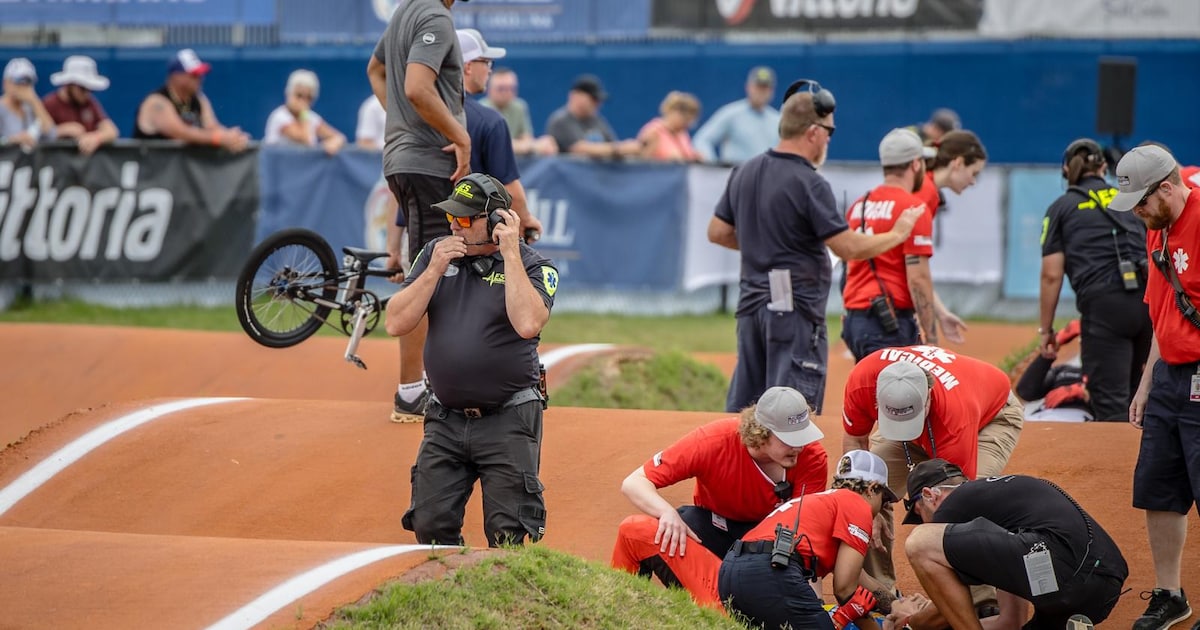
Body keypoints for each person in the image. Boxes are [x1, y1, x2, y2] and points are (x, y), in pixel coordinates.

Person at [707, 80, 923, 415]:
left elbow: (718, 232)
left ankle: (738, 467)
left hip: (750, 305)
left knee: (746, 405)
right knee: (792, 409)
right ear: (813, 132)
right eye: (829, 132)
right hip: (793, 307)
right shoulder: (809, 182)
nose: (829, 139)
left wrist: (763, 245)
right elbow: (848, 247)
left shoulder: (744, 170)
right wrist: (898, 233)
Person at [383, 172, 557, 547]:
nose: (454, 227)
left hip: (508, 418)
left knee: (508, 535)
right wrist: (431, 271)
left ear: (496, 221)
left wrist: (510, 251)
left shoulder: (533, 266)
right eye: (450, 218)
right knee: (429, 525)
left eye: (465, 220)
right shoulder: (434, 255)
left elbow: (528, 323)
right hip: (445, 418)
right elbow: (395, 322)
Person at [611, 449, 900, 630]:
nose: (881, 508)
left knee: (634, 529)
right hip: (770, 578)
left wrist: (895, 604)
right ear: (872, 488)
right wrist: (847, 618)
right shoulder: (857, 505)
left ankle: (610, 614)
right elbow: (846, 589)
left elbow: (858, 579)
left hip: (732, 574)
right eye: (883, 500)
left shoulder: (820, 502)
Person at [841, 345, 1024, 613]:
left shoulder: (955, 417)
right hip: (921, 415)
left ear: (928, 397)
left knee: (972, 505)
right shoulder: (862, 382)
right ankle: (882, 597)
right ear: (878, 400)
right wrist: (865, 508)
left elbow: (957, 503)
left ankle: (983, 601)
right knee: (860, 497)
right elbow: (855, 443)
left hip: (989, 418)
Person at [366, 0, 471, 423]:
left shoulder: (405, 12)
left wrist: (405, 120)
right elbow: (415, 87)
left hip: (406, 158)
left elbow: (375, 70)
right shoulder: (435, 16)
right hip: (427, 160)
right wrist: (458, 133)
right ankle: (411, 392)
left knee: (430, 269)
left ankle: (427, 382)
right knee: (428, 274)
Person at [1109, 144, 1200, 630]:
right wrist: (1147, 382)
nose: (1138, 214)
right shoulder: (1156, 229)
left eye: (1142, 202)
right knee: (1159, 489)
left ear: (1167, 187)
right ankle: (1170, 595)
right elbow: (1165, 312)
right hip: (1170, 375)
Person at [900, 459, 1128, 630]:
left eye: (920, 514)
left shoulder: (955, 504)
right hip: (1102, 590)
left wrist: (909, 623)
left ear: (929, 495)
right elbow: (1009, 623)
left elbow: (942, 612)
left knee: (920, 542)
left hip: (1060, 566)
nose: (924, 522)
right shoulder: (1003, 514)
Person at [618, 386, 829, 568]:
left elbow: (805, 533)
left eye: (803, 435)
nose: (800, 446)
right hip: (715, 529)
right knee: (680, 522)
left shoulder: (812, 457)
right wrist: (666, 512)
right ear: (761, 432)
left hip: (769, 539)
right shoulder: (713, 442)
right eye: (789, 439)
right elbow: (635, 482)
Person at [1037, 137, 1152, 423]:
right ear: (1104, 168)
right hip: (1149, 300)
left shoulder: (1061, 207)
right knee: (1145, 396)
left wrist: (1047, 330)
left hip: (1104, 307)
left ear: (1066, 171)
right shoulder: (1126, 200)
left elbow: (1051, 275)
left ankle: (1114, 467)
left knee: (1112, 405)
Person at [841, 128, 938, 361]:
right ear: (916, 164)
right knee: (898, 395)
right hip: (888, 324)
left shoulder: (859, 205)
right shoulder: (913, 209)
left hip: (855, 321)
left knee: (867, 392)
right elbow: (918, 278)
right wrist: (932, 340)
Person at [456, 28, 543, 240]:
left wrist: (394, 245)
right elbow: (508, 185)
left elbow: (398, 186)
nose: (489, 69)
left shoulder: (417, 117)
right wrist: (524, 219)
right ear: (468, 66)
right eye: (486, 62)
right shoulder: (489, 120)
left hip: (420, 235)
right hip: (471, 235)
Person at [910, 129, 988, 345]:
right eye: (974, 173)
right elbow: (914, 271)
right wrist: (931, 334)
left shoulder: (926, 188)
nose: (973, 182)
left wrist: (941, 313)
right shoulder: (924, 192)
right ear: (958, 163)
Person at [133, 49, 250, 152]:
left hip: (182, 173)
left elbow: (212, 127)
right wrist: (220, 138)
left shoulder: (199, 99)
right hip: (150, 173)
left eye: (200, 75)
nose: (199, 79)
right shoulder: (156, 102)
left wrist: (233, 137)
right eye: (193, 75)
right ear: (175, 76)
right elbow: (181, 133)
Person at [692, 66, 781, 165]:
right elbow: (702, 140)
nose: (761, 92)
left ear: (772, 91)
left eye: (765, 88)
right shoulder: (731, 114)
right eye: (758, 87)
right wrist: (713, 166)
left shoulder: (777, 120)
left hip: (766, 177)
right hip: (736, 175)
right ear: (748, 87)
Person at [543, 74, 641, 158]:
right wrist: (619, 149)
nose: (597, 104)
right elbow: (579, 149)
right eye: (593, 99)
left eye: (598, 101)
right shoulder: (561, 121)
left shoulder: (597, 120)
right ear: (576, 95)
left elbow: (612, 143)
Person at [1014, 320, 1093, 422]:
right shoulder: (1063, 371)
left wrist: (1080, 391)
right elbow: (1025, 392)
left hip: (1078, 421)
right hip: (1041, 419)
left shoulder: (1112, 374)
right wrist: (1049, 351)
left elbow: (1117, 405)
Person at [41, 55, 118, 155]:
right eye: (82, 88)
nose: (87, 93)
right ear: (69, 84)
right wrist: (61, 131)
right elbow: (36, 134)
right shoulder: (49, 104)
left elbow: (111, 130)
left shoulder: (89, 103)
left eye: (90, 89)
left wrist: (95, 138)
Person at [263, 69, 345, 155]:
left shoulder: (312, 117)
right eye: (299, 95)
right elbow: (305, 140)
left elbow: (339, 137)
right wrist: (304, 114)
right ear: (288, 93)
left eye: (309, 97)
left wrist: (333, 143)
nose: (303, 102)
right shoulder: (279, 116)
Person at [480, 67, 556, 156]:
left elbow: (527, 138)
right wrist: (533, 146)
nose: (506, 92)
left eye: (511, 88)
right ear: (489, 89)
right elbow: (495, 145)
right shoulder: (482, 109)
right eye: (501, 88)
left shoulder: (519, 106)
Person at [0, 58, 56, 150]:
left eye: (28, 82)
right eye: (19, 82)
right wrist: (11, 141)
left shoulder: (31, 108)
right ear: (6, 83)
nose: (23, 87)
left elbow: (51, 135)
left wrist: (35, 102)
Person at [636, 91, 701, 162]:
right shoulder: (653, 132)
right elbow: (642, 161)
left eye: (691, 121)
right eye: (686, 120)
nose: (687, 125)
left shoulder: (682, 134)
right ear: (675, 112)